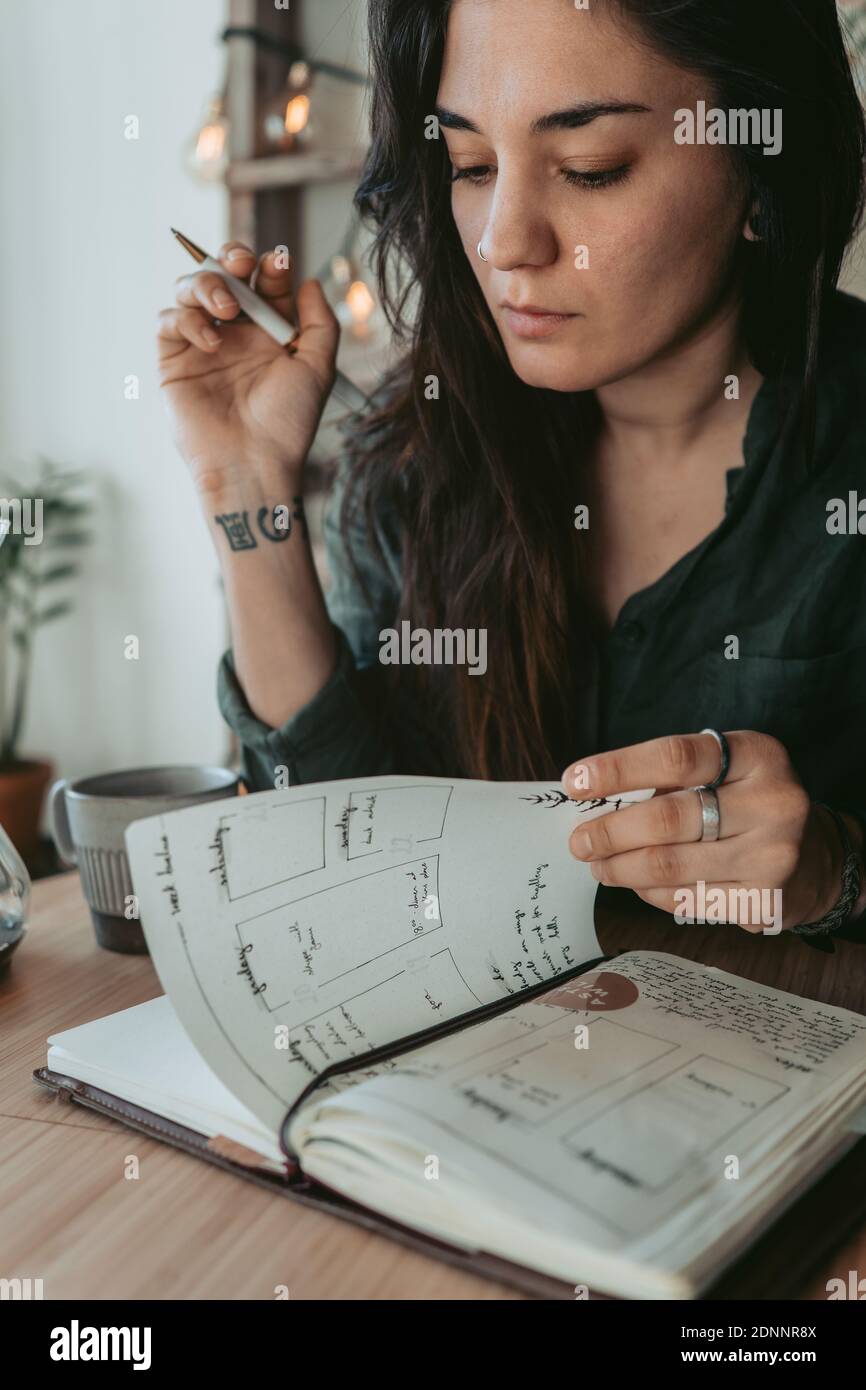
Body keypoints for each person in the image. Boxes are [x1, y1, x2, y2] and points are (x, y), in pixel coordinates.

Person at [157, 0, 866, 935]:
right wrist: (245, 490)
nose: (502, 241)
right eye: (472, 166)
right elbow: (343, 860)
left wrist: (835, 872)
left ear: (757, 166)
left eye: (589, 169)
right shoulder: (417, 456)